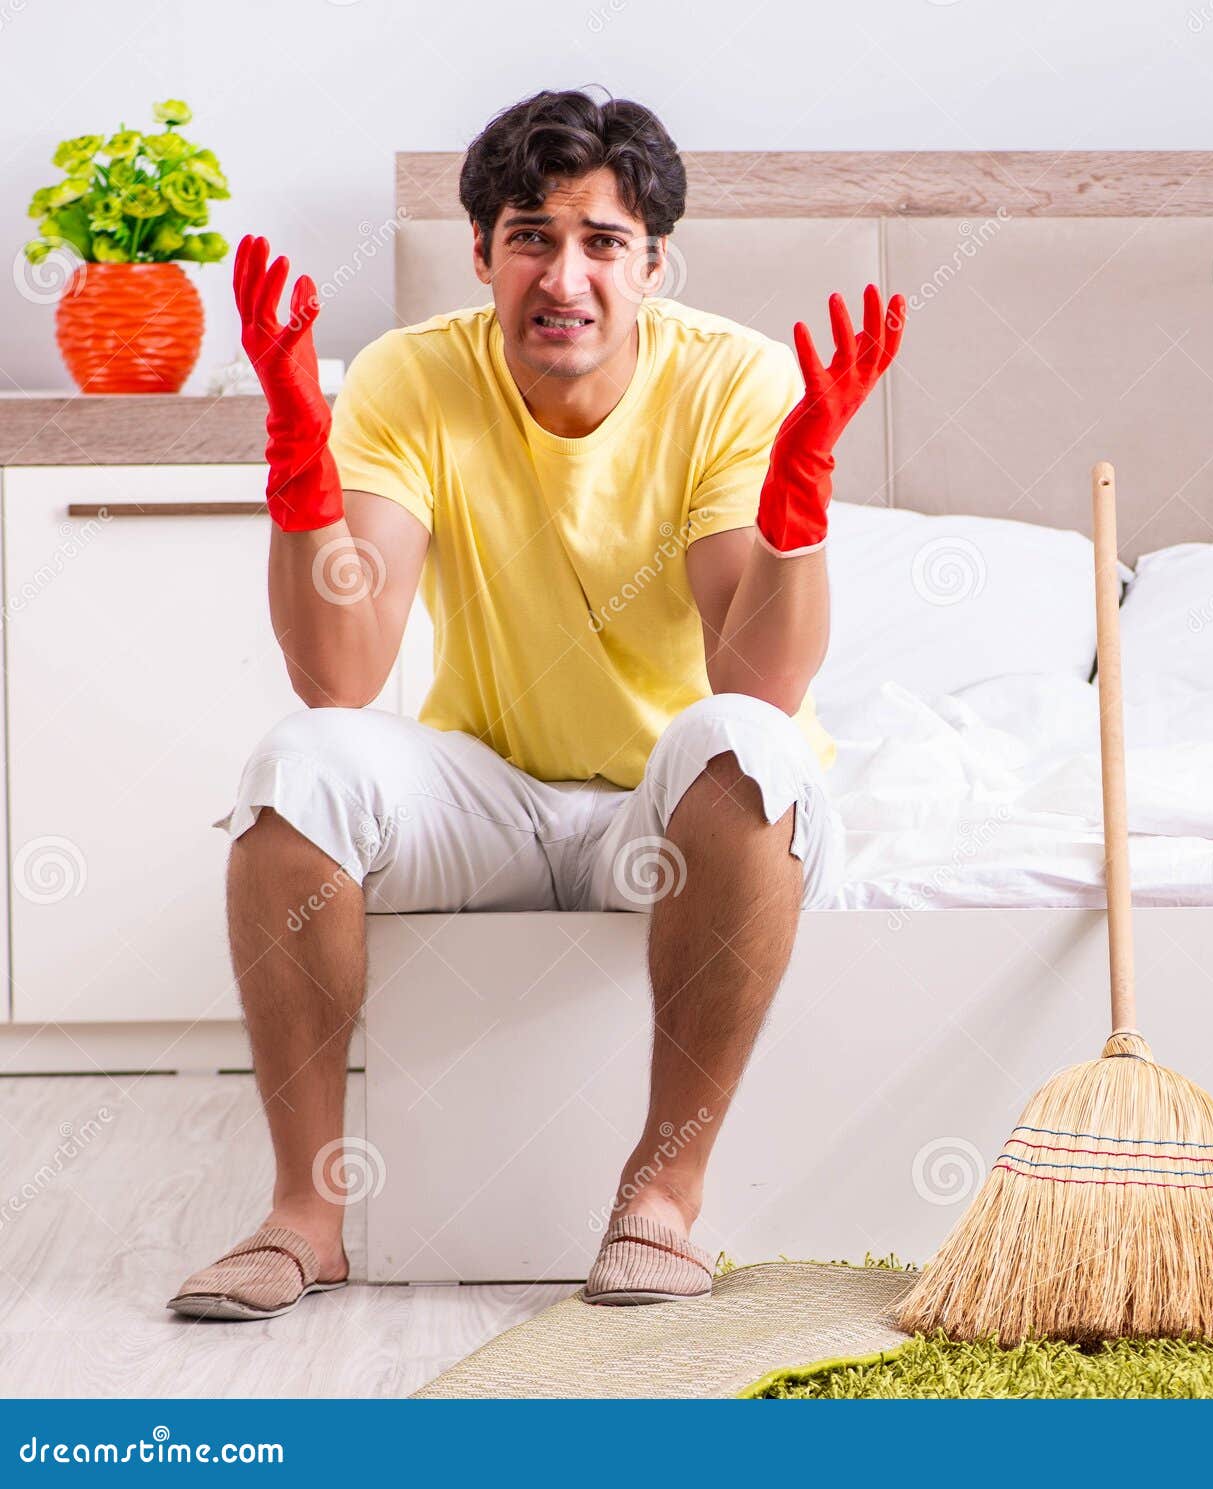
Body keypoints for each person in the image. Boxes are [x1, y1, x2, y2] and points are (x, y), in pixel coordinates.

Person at [166, 88, 904, 1320]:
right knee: (299, 760)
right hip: (498, 789)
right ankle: (303, 1211)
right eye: (530, 236)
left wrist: (799, 502)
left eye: (603, 242)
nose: (565, 276)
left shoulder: (731, 382)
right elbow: (341, 673)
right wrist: (302, 458)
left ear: (655, 264)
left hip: (676, 815)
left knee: (748, 741)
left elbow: (758, 681)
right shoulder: (413, 376)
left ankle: (661, 1200)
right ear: (480, 253)